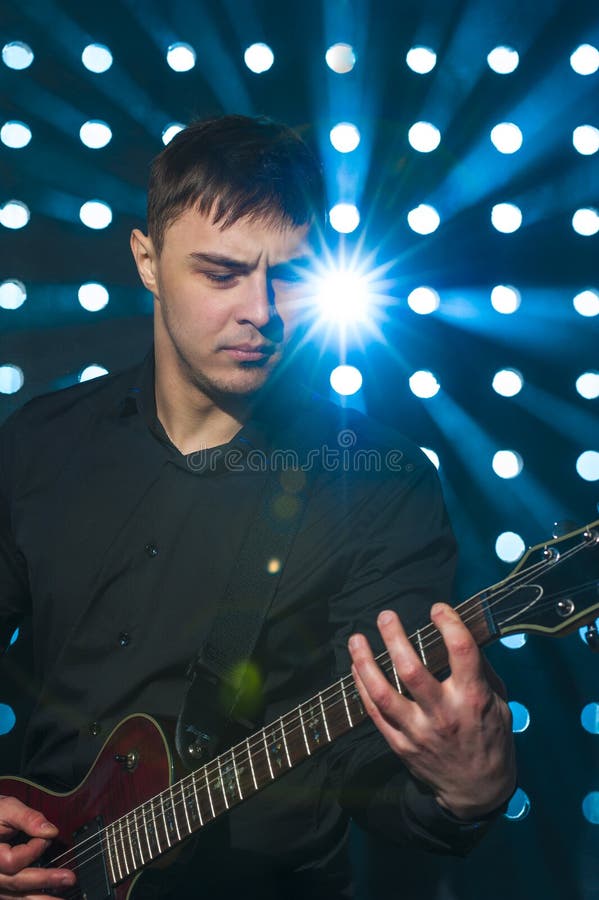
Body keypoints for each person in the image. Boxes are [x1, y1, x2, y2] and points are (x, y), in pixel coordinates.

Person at [0, 115, 516, 899]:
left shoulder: (378, 484)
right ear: (147, 261)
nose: (262, 311)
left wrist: (465, 791)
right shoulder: (40, 443)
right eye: (220, 273)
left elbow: (373, 768)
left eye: (291, 277)